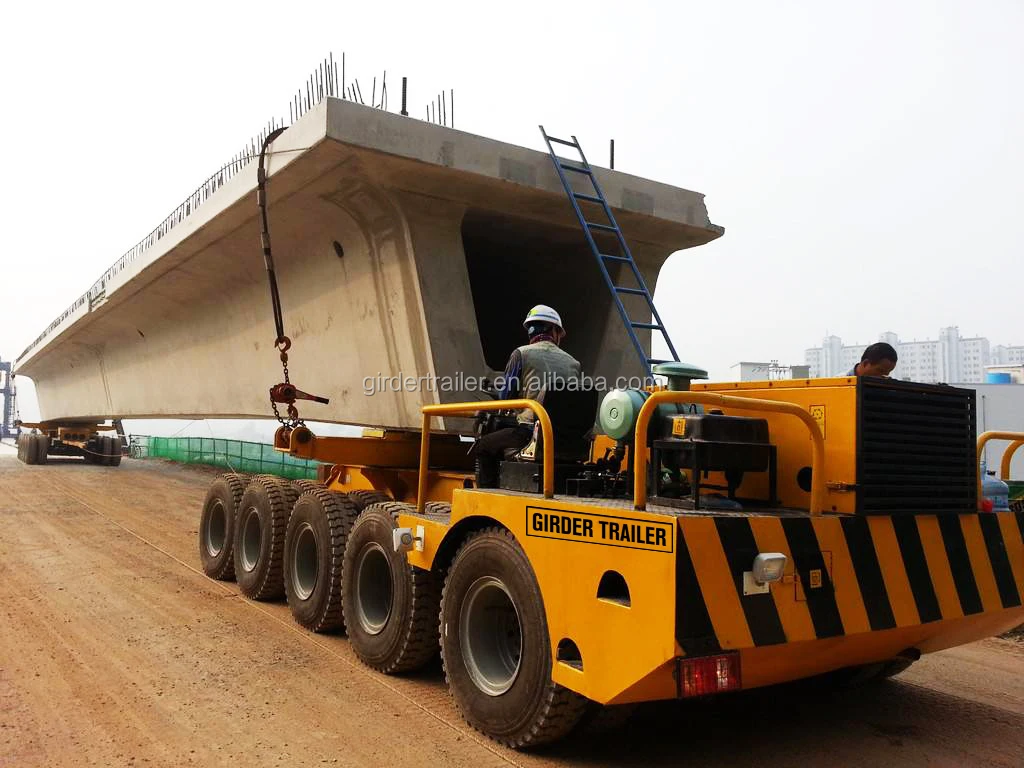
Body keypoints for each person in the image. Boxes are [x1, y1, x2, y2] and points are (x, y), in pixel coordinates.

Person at [472, 305, 582, 488]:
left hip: (530, 432)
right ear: (553, 331)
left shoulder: (521, 354)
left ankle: (487, 497)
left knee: (484, 446)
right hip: (565, 436)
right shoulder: (574, 363)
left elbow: (506, 398)